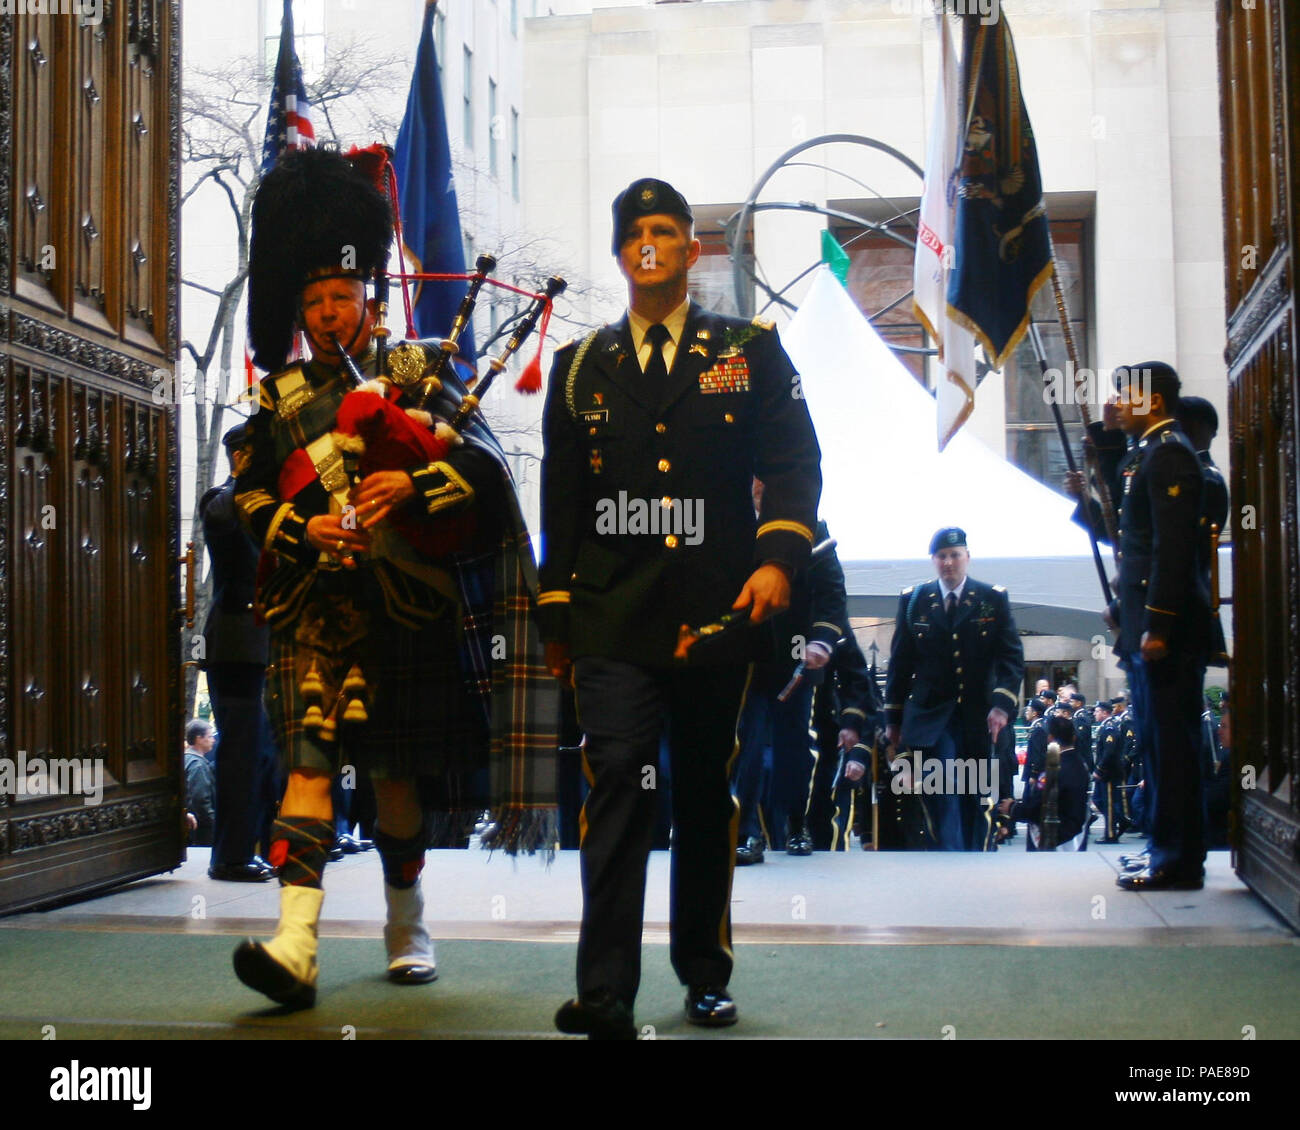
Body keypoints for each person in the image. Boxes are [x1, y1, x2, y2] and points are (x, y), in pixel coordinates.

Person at [231, 147, 554, 1009]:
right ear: (299, 313)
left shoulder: (421, 370)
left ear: (367, 297)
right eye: (315, 303)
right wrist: (305, 527)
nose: (332, 314)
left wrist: (411, 483)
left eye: (343, 297)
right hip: (314, 610)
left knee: (393, 783)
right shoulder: (276, 402)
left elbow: (486, 476)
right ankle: (295, 944)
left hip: (404, 608)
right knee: (306, 765)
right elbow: (247, 499)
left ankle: (407, 922)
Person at [538, 176, 821, 1038]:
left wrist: (779, 557)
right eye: (638, 234)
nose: (653, 245)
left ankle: (704, 972)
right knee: (617, 782)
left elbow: (795, 457)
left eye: (669, 231)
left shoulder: (745, 349)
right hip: (615, 619)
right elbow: (561, 502)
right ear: (622, 254)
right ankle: (605, 994)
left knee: (703, 793)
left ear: (691, 251)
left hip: (718, 611)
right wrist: (558, 616)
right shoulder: (580, 367)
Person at [1067, 363, 1217, 889]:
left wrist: (1157, 623)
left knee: (1172, 747)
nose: (1114, 404)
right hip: (1144, 627)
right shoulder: (1145, 454)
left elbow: (1172, 552)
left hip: (1168, 635)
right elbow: (1130, 537)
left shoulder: (1170, 453)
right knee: (1156, 744)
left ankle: (1178, 861)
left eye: (1121, 396)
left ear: (1152, 402)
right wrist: (1126, 613)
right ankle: (1162, 849)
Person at [883, 528, 1024, 852]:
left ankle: (973, 854)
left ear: (967, 558)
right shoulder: (914, 600)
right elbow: (901, 663)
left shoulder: (992, 598)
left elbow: (1011, 656)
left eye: (955, 555)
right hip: (932, 715)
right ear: (934, 561)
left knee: (975, 790)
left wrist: (1002, 705)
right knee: (942, 782)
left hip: (978, 715)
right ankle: (951, 855)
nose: (948, 563)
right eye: (942, 557)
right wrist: (893, 719)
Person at [732, 506, 846, 862]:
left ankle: (797, 826)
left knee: (794, 749)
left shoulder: (811, 528)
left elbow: (832, 594)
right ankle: (745, 831)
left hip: (797, 661)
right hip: (746, 659)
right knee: (744, 746)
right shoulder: (731, 521)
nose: (760, 486)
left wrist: (822, 640)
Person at [200, 422, 281, 882]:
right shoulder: (222, 499)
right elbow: (226, 520)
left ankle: (271, 844)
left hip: (268, 641)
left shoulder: (272, 504)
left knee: (268, 755)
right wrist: (247, 477)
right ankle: (230, 855)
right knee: (242, 753)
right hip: (237, 643)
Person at [999, 711, 1090, 851]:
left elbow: (1039, 805)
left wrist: (1013, 808)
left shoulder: (1055, 768)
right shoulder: (1080, 765)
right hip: (1075, 833)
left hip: (1056, 838)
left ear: (1050, 738)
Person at [184, 719, 217, 848]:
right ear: (199, 738)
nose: (213, 740)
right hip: (201, 830)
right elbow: (200, 799)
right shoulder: (198, 765)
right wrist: (213, 822)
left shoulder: (185, 759)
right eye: (209, 736)